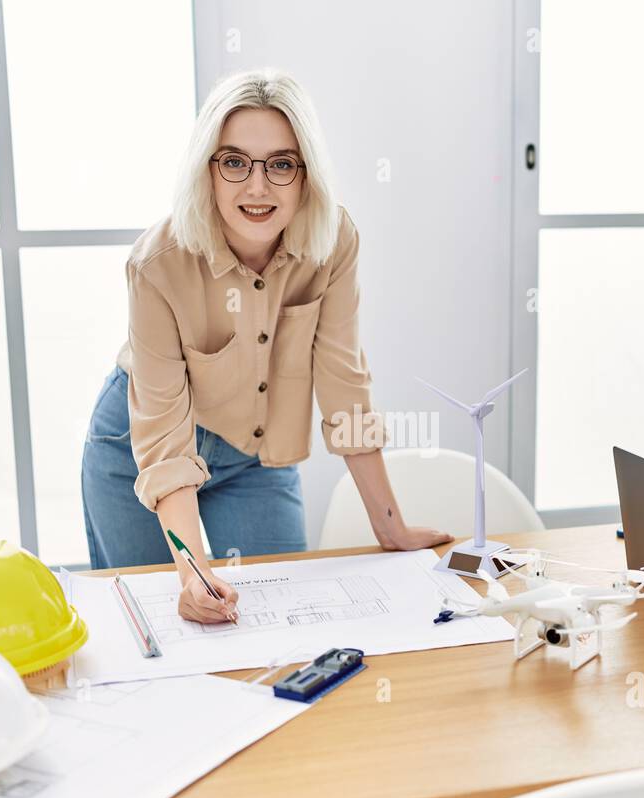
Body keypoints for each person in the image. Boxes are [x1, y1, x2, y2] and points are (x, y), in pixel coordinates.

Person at [81, 68, 452, 624]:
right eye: (234, 162)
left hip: (257, 452)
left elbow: (344, 384)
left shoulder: (333, 241)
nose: (257, 188)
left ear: (306, 176)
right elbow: (162, 434)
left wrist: (390, 525)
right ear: (207, 171)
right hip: (138, 450)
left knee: (282, 622)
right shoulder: (157, 264)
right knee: (162, 624)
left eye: (281, 164)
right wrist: (193, 571)